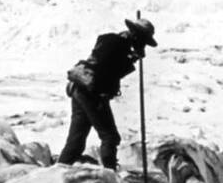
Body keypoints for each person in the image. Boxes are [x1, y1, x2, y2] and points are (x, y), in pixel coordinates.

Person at [56, 17, 157, 171]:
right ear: (137, 36)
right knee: (110, 136)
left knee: (76, 140)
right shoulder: (121, 47)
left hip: (79, 90)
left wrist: (132, 56)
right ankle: (111, 174)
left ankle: (58, 172)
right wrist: (132, 58)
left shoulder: (111, 40)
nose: (143, 45)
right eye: (143, 41)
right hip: (93, 94)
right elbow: (109, 71)